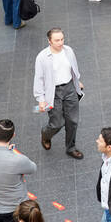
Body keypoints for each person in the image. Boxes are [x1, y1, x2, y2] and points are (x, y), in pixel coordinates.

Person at [34, 28, 85, 159]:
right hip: (53, 92)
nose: (61, 42)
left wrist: (77, 81)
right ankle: (46, 134)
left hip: (69, 88)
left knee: (72, 121)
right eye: (57, 40)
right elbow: (38, 78)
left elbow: (73, 67)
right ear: (49, 41)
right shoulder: (42, 57)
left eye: (62, 39)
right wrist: (40, 99)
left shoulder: (68, 51)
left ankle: (71, 148)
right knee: (57, 123)